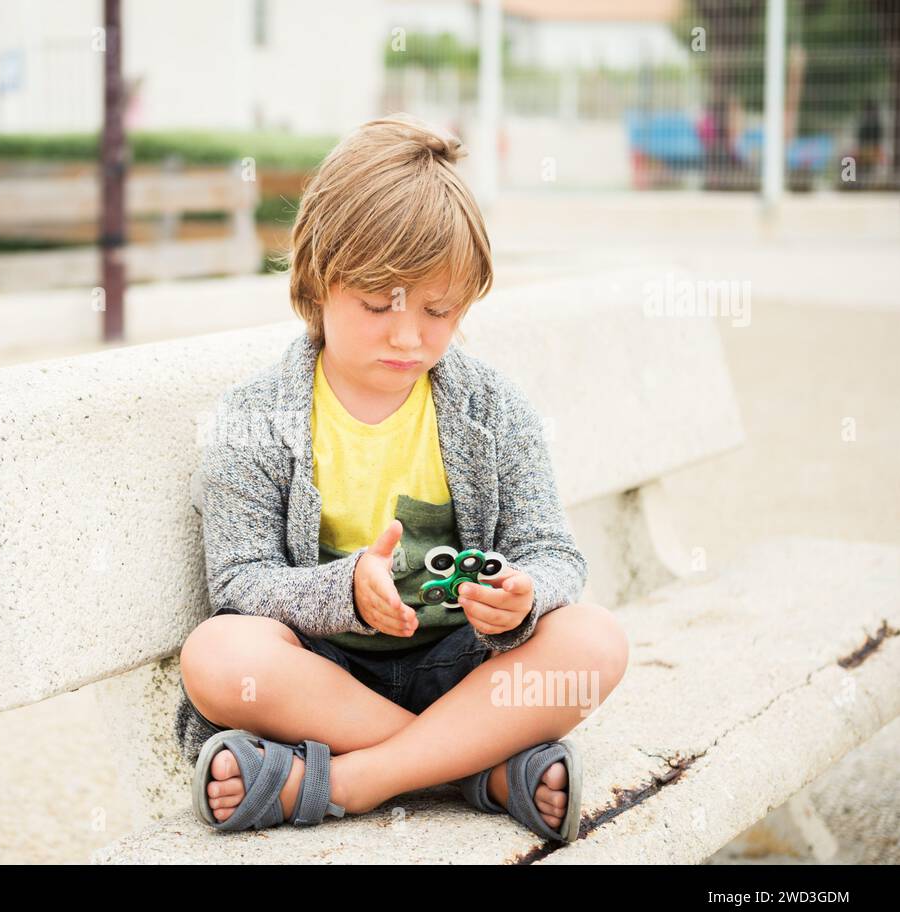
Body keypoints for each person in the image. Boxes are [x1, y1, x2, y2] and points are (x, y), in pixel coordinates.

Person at [175, 113, 628, 839]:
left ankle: (345, 780)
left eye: (438, 308)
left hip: (464, 668)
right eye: (376, 304)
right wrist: (344, 588)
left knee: (595, 641)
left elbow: (555, 553)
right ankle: (475, 768)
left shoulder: (491, 408)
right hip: (326, 683)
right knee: (217, 656)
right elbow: (237, 584)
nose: (409, 334)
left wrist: (524, 597)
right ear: (318, 279)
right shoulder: (256, 417)